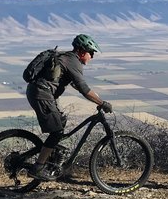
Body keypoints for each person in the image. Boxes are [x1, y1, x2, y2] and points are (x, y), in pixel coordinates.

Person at [26, 34, 113, 180]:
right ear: (82, 51)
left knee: (61, 122)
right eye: (91, 52)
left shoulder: (67, 58)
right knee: (57, 132)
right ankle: (38, 168)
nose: (92, 56)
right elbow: (84, 89)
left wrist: (96, 98)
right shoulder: (73, 61)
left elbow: (75, 84)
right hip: (42, 94)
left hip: (39, 92)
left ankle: (52, 158)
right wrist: (102, 103)